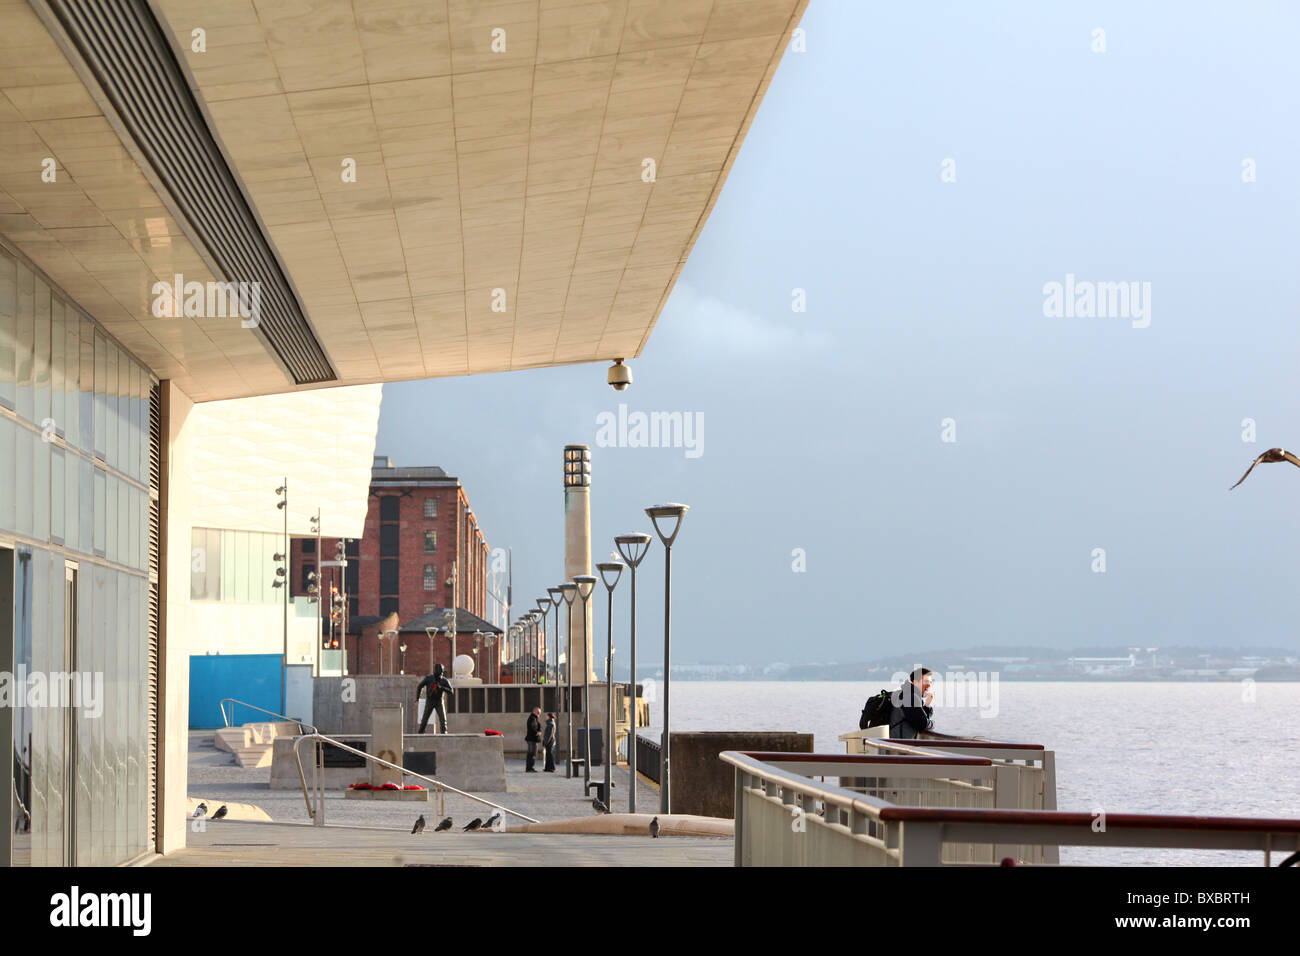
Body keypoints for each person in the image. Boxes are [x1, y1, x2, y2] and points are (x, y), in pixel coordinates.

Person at [889, 666, 935, 739]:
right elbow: (922, 724)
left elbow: (919, 718)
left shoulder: (908, 694)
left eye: (930, 682)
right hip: (900, 745)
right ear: (915, 682)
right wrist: (933, 724)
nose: (929, 685)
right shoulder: (910, 697)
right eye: (926, 681)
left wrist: (927, 705)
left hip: (899, 743)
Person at [416, 663, 452, 734]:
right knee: (425, 718)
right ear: (435, 671)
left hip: (439, 701)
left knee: (443, 719)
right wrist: (418, 697)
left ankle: (444, 732)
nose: (440, 674)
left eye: (441, 672)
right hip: (430, 700)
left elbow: (451, 691)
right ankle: (421, 732)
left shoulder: (444, 680)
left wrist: (442, 688)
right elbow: (419, 686)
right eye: (438, 672)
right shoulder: (429, 678)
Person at [524, 707, 542, 772]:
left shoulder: (534, 718)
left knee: (531, 754)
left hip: (532, 739)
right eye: (538, 712)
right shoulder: (532, 718)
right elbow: (531, 727)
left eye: (539, 712)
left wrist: (539, 731)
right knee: (532, 754)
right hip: (532, 739)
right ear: (534, 711)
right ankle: (530, 768)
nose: (539, 714)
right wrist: (537, 733)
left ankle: (529, 767)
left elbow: (537, 727)